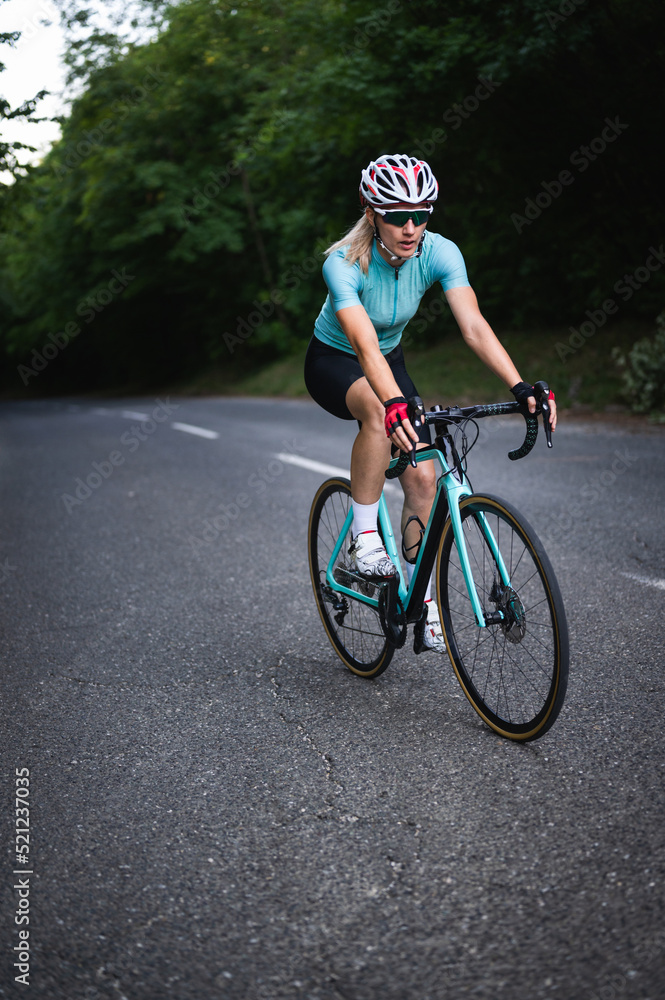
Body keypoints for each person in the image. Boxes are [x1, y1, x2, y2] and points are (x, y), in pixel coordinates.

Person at [304, 153, 556, 652]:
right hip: (336, 361)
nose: (411, 226)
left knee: (423, 475)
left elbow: (474, 327)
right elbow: (362, 346)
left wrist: (521, 386)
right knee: (380, 414)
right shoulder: (344, 262)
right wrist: (394, 402)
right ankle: (363, 538)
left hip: (389, 359)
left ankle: (421, 599)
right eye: (397, 215)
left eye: (422, 214)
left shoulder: (440, 252)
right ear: (371, 211)